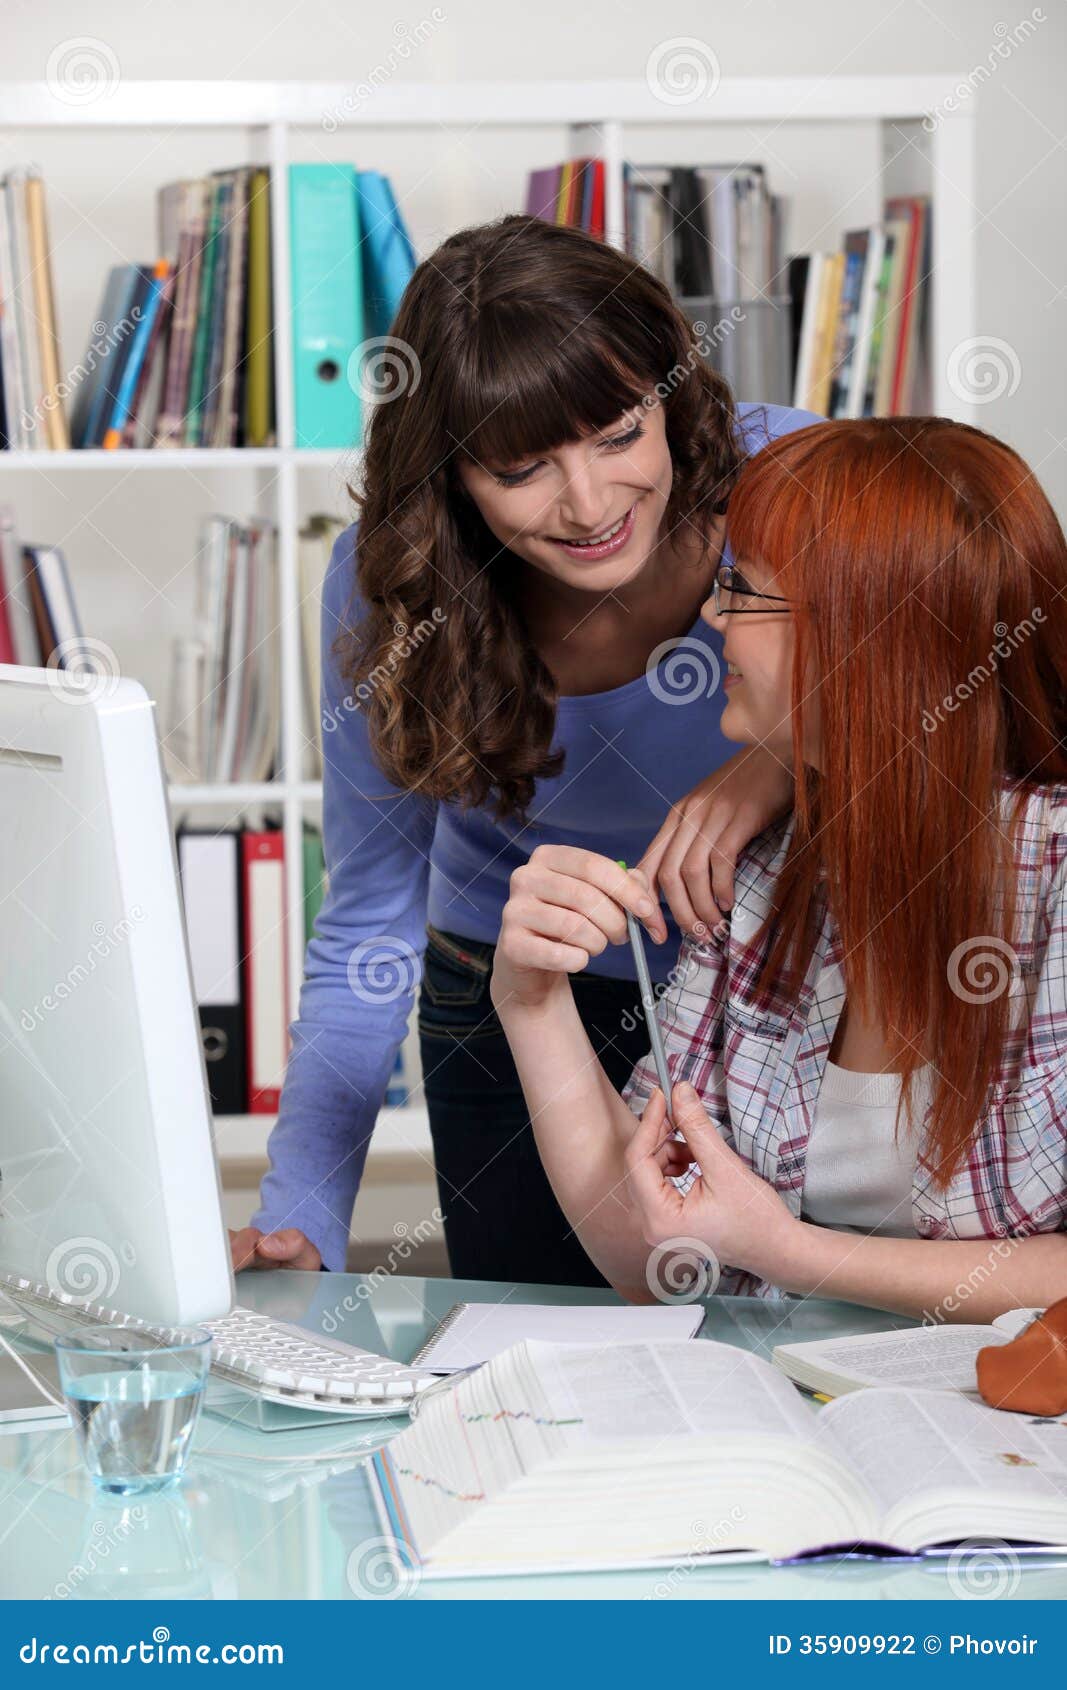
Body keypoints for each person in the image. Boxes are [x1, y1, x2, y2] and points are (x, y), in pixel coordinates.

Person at [231, 212, 821, 1280]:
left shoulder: (788, 474)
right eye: (521, 467)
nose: (589, 504)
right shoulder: (387, 588)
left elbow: (945, 701)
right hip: (508, 999)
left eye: (616, 434)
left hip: (768, 997)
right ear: (450, 475)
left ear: (671, 396)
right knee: (541, 1376)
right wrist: (303, 1216)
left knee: (771, 1351)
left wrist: (770, 767)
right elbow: (369, 915)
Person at [490, 417, 1067, 1322]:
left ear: (870, 640)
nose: (713, 617)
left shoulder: (1055, 881)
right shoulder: (759, 877)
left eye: (746, 594)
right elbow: (654, 1259)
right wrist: (530, 1002)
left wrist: (791, 1253)